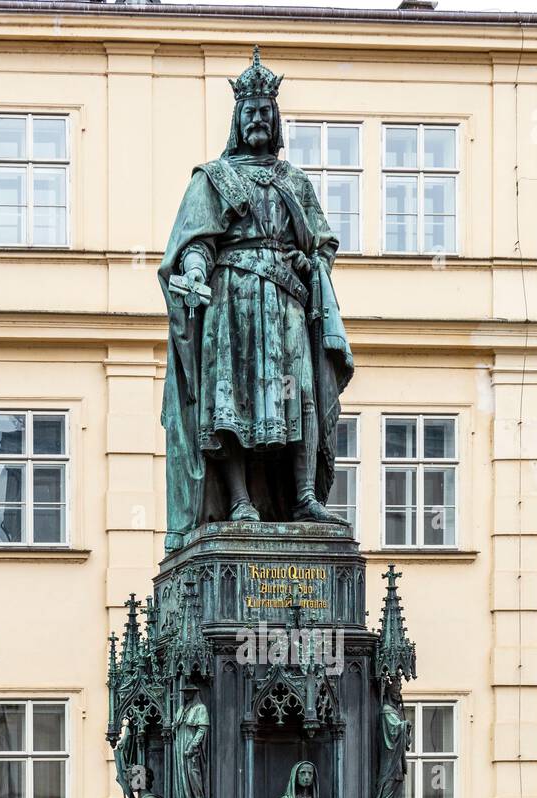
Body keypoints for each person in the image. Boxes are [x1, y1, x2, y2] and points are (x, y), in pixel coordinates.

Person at [159, 47, 354, 550]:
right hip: (232, 302)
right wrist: (197, 271)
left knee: (300, 398)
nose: (259, 119)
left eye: (267, 111)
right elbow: (194, 243)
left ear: (276, 118)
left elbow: (322, 243)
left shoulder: (296, 181)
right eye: (251, 112)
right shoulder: (213, 177)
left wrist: (314, 265)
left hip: (287, 304)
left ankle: (305, 495)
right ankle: (240, 499)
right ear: (238, 119)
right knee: (234, 402)